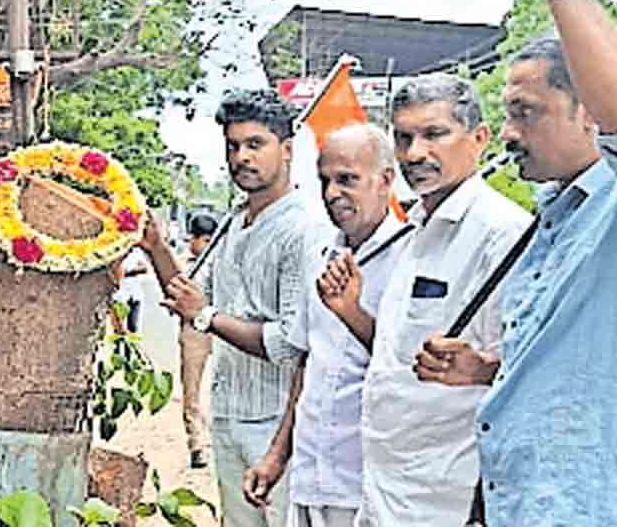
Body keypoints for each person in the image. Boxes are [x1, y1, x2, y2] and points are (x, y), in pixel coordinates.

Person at [414, 0, 617, 524]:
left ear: (588, 111)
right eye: (506, 114)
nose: (507, 134)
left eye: (525, 114)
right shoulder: (551, 225)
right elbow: (589, 371)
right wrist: (488, 369)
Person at [330, 75, 531, 526]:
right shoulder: (414, 227)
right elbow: (402, 355)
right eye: (404, 138)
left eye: (434, 134)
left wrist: (481, 370)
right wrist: (351, 312)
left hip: (448, 499)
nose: (415, 153)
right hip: (385, 489)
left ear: (478, 139)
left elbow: (532, 373)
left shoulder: (502, 235)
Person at [140, 90, 329, 527]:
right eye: (233, 146)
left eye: (254, 144)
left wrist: (206, 316)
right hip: (227, 415)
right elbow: (185, 294)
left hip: (278, 426)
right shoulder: (232, 221)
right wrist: (155, 246)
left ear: (286, 149)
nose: (241, 156)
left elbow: (289, 343)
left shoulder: (304, 228)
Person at [266, 124, 407, 527]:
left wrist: (353, 314)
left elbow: (411, 369)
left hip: (367, 484)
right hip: (310, 475)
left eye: (347, 180)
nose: (331, 194)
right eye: (324, 181)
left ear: (386, 180)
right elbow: (308, 364)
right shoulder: (320, 253)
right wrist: (277, 456)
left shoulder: (411, 258)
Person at [175, 213, 218, 469]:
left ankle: (217, 439)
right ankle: (197, 445)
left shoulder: (223, 260)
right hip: (193, 332)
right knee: (191, 391)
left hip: (223, 328)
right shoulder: (183, 264)